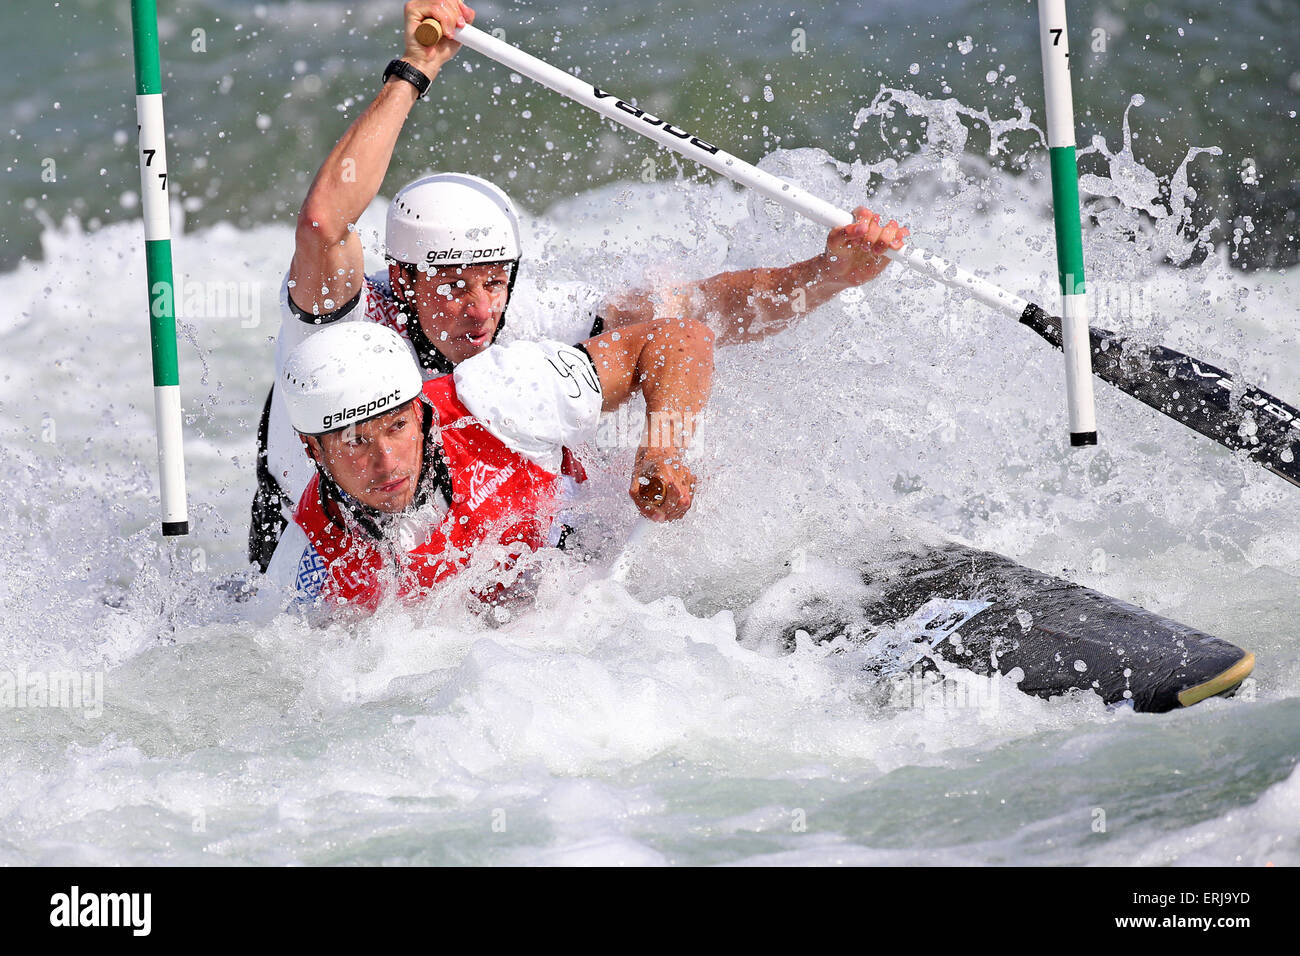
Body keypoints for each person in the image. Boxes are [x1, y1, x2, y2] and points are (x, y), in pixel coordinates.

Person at [250, 0, 908, 570]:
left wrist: (830, 275)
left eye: (493, 282)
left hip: (452, 537)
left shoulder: (535, 319)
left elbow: (699, 321)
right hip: (310, 543)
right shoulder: (347, 329)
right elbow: (322, 222)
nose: (479, 310)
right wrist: (416, 67)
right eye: (451, 286)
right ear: (401, 277)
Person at [266, 315, 713, 614]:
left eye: (398, 427)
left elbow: (678, 339)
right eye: (356, 442)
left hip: (613, 566)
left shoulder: (496, 396)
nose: (386, 463)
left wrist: (661, 453)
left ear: (421, 412)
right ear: (314, 452)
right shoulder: (311, 565)